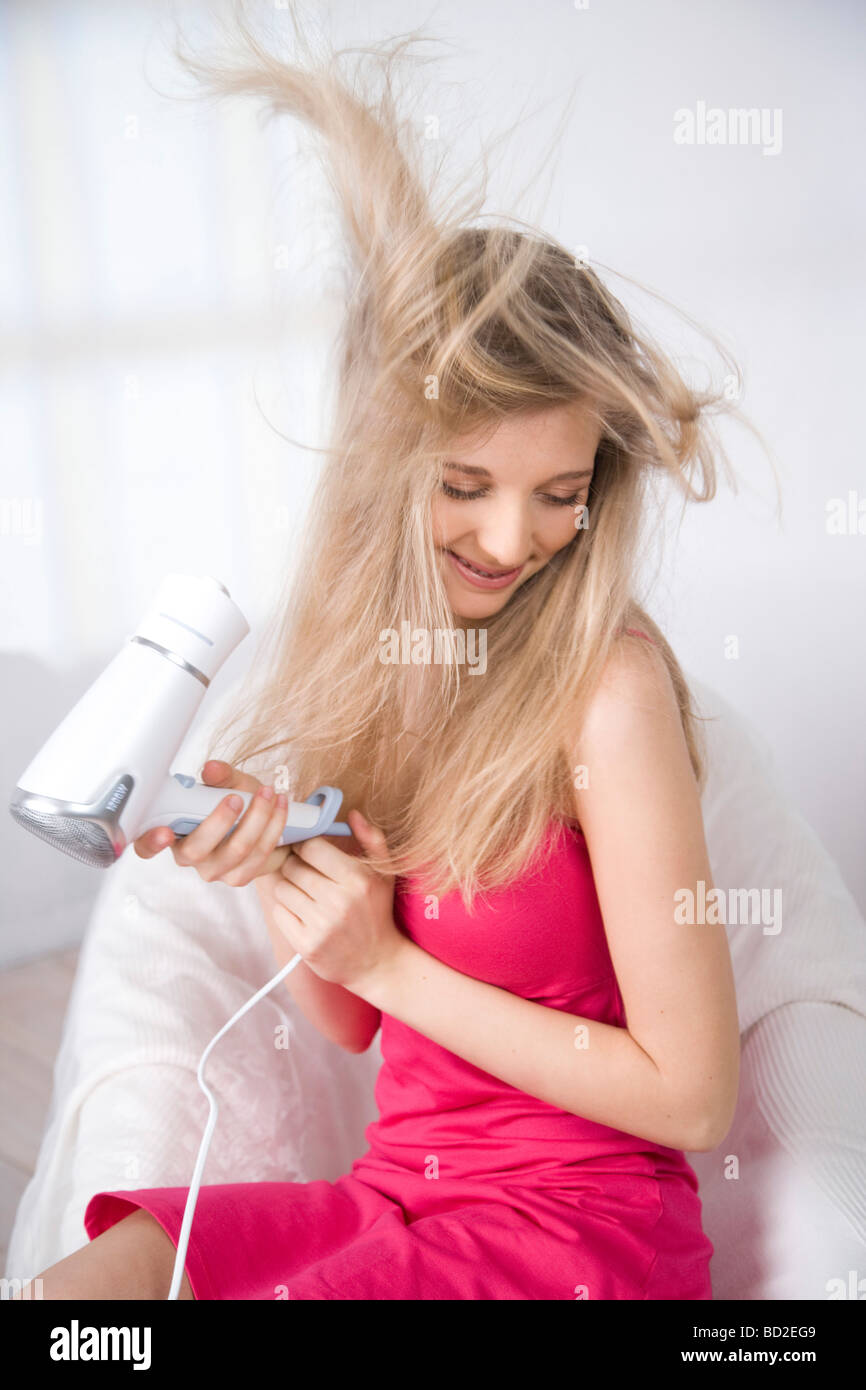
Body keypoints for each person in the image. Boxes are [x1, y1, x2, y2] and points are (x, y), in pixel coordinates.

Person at [35, 0, 744, 1300]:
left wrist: (389, 960)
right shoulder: (392, 664)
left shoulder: (608, 687)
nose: (513, 537)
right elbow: (354, 1023)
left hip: (577, 1229)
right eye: (465, 481)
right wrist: (292, 889)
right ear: (387, 459)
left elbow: (692, 1094)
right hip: (402, 1190)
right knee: (96, 1286)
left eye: (557, 489)